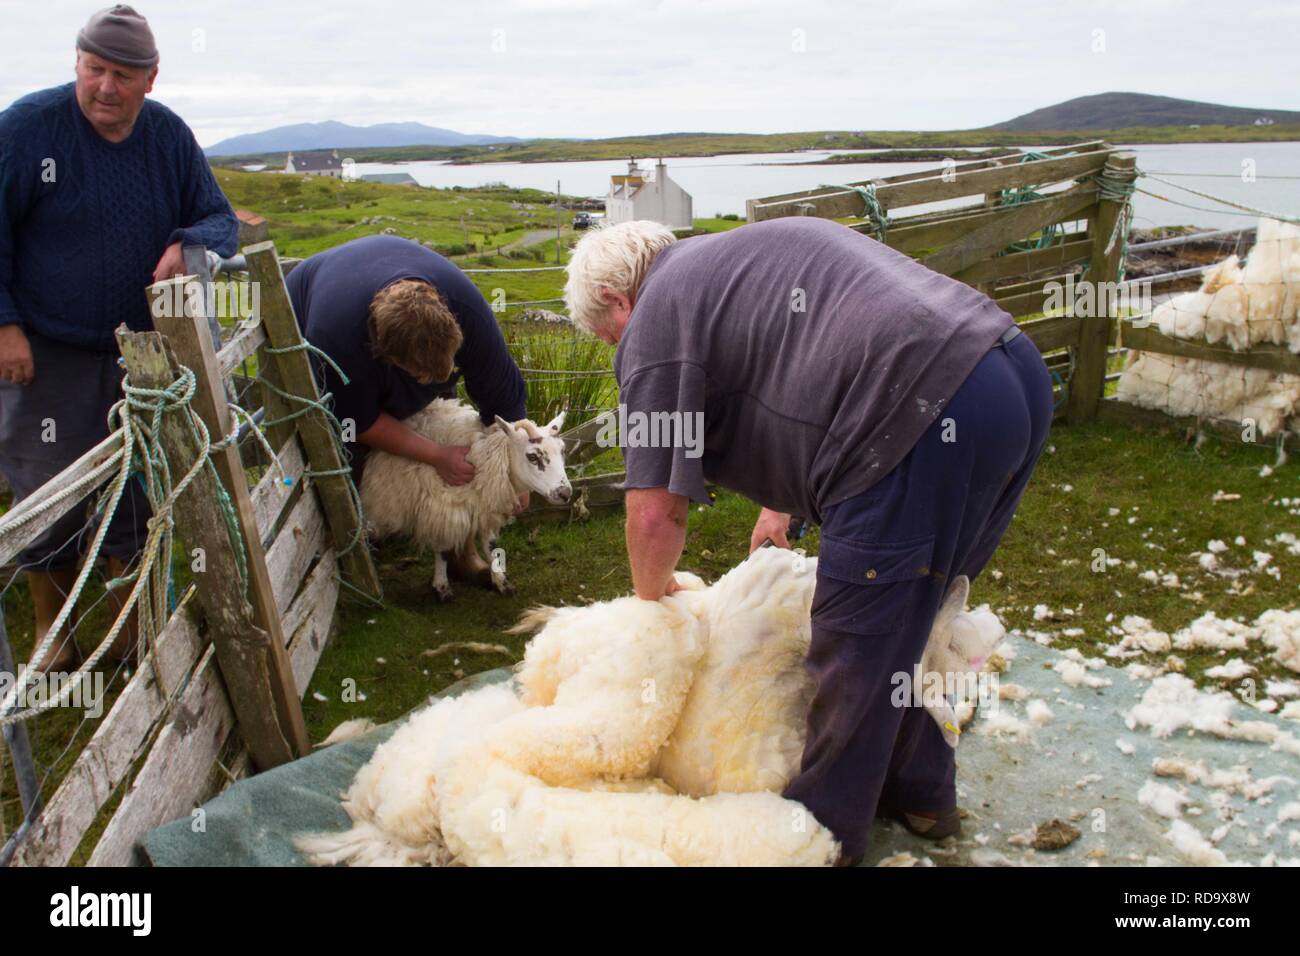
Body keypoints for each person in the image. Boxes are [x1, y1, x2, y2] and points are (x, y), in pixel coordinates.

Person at [563, 217, 1053, 864]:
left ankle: (818, 841)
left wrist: (650, 604)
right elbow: (810, 353)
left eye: (608, 337)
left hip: (916, 414)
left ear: (619, 302)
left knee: (853, 644)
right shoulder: (724, 264)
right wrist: (781, 505)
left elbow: (656, 512)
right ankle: (923, 796)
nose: (618, 353)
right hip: (1007, 376)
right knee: (913, 621)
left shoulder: (657, 320)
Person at [0, 5, 239, 670]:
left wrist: (185, 240)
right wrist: (4, 326)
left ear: (151, 78)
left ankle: (131, 632)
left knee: (140, 492)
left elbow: (220, 218)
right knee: (47, 496)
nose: (106, 86)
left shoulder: (166, 138)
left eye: (123, 74)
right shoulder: (26, 130)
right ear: (77, 65)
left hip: (143, 356)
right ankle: (53, 633)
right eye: (94, 69)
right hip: (45, 352)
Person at [285, 234, 528, 506]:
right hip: (306, 316)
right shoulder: (335, 339)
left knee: (438, 417)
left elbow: (504, 396)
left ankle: (446, 531)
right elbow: (354, 421)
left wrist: (516, 473)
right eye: (419, 376)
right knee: (345, 447)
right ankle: (356, 523)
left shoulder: (469, 312)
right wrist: (437, 455)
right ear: (388, 357)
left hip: (370, 278)